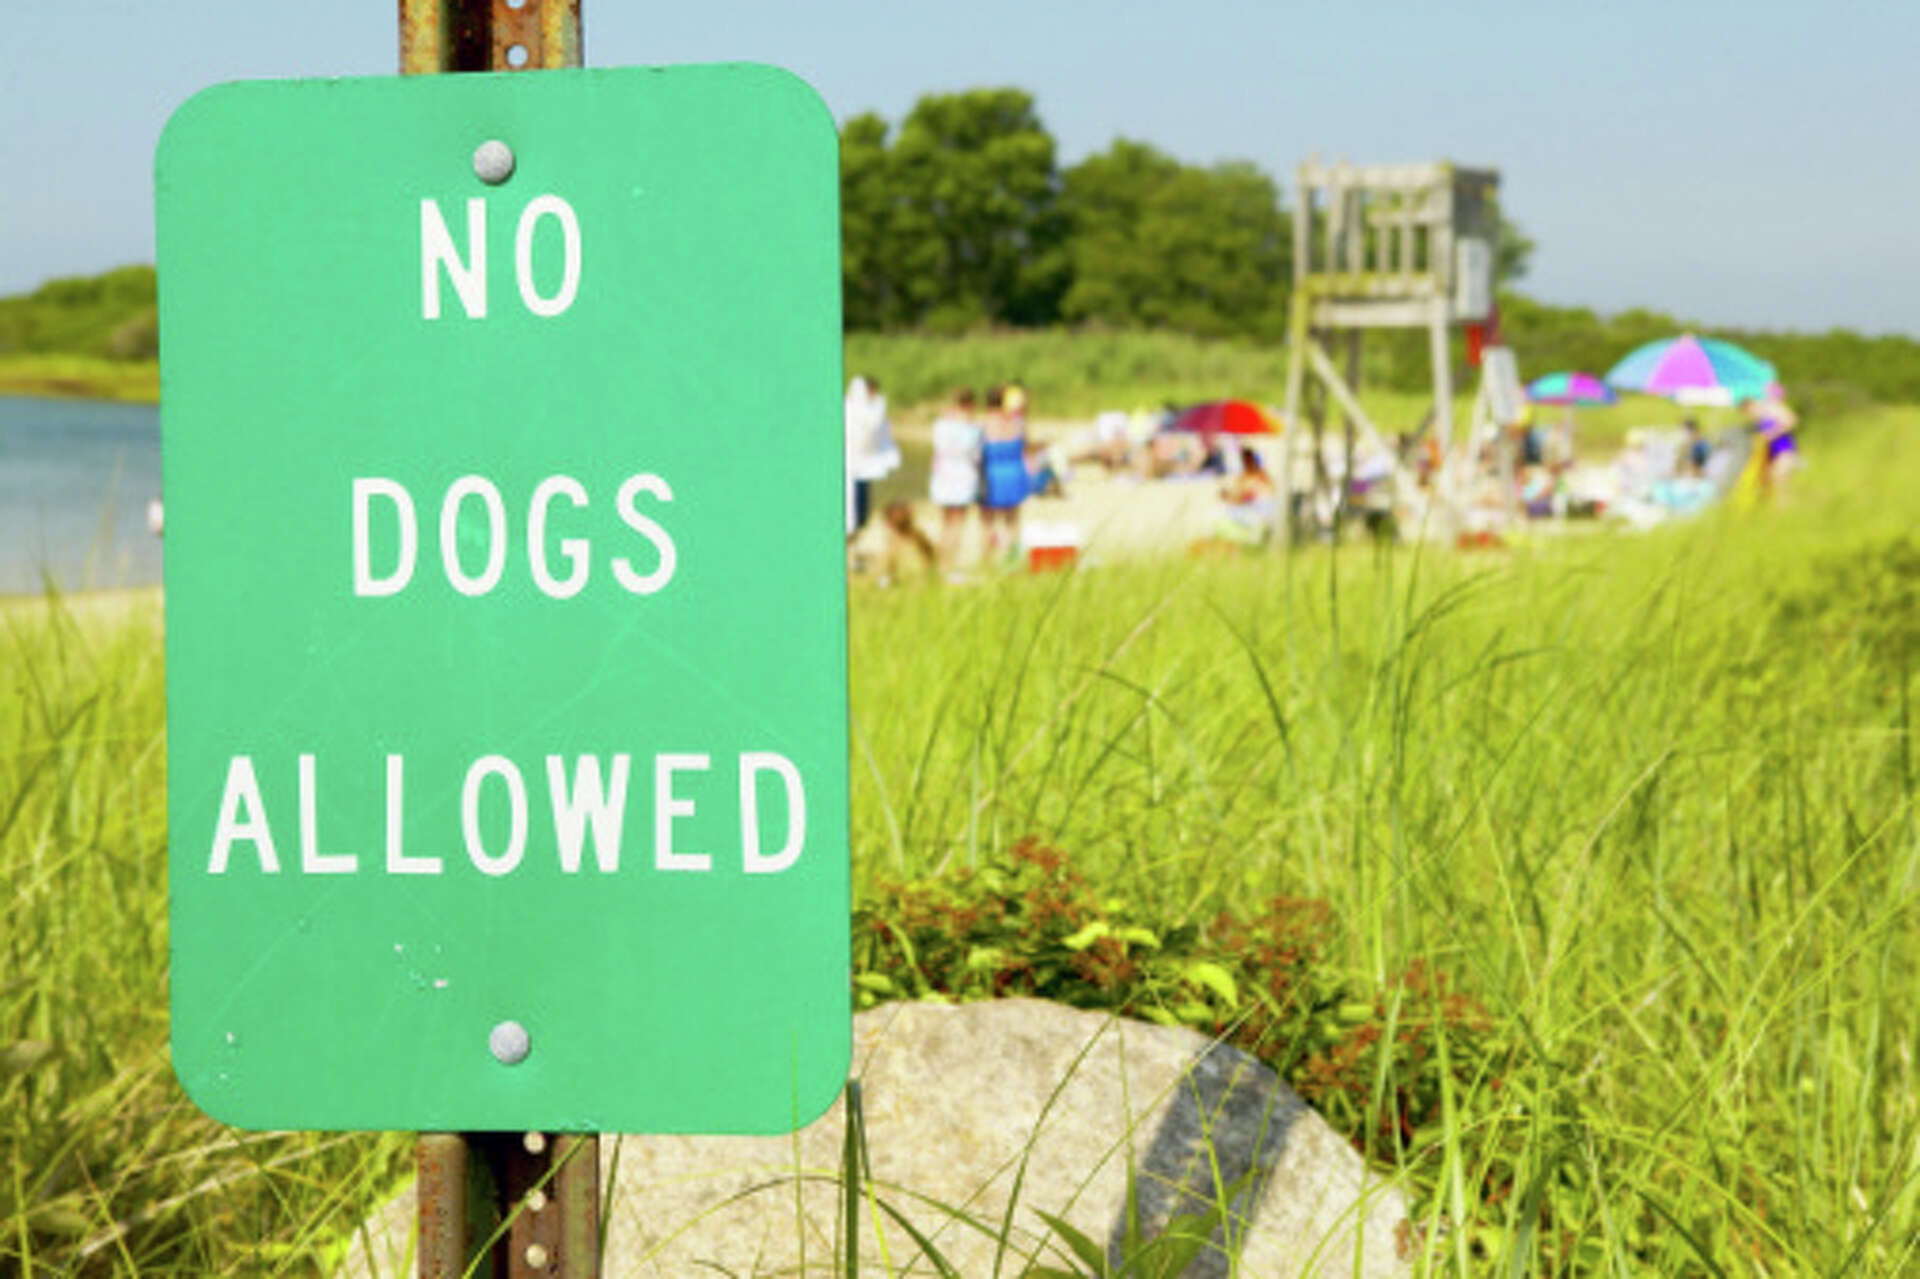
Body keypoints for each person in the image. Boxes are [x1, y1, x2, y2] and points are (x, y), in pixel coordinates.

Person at [927, 387, 983, 569]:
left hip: (943, 476)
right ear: (970, 404)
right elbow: (976, 456)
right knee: (958, 523)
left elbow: (937, 450)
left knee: (945, 523)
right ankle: (950, 564)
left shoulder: (941, 425)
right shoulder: (972, 428)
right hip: (964, 476)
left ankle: (941, 563)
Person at [844, 375, 899, 543]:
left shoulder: (868, 410)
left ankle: (851, 551)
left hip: (862, 469)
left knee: (860, 516)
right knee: (850, 515)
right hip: (850, 470)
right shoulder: (852, 409)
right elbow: (872, 426)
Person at [977, 384, 1029, 563]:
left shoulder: (983, 423)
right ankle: (1013, 561)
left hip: (992, 475)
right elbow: (1026, 446)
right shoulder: (1018, 422)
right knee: (1012, 522)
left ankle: (986, 561)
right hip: (1014, 474)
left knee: (987, 523)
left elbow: (975, 451)